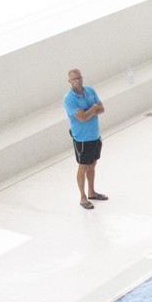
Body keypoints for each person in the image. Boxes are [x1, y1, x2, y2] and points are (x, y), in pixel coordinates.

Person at [63, 68, 108, 210]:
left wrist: (90, 110)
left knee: (92, 164)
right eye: (75, 79)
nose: (78, 80)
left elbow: (102, 109)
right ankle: (83, 197)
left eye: (79, 77)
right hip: (82, 139)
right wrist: (93, 107)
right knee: (83, 166)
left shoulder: (90, 90)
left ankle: (91, 192)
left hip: (95, 135)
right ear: (70, 81)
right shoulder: (69, 99)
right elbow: (82, 118)